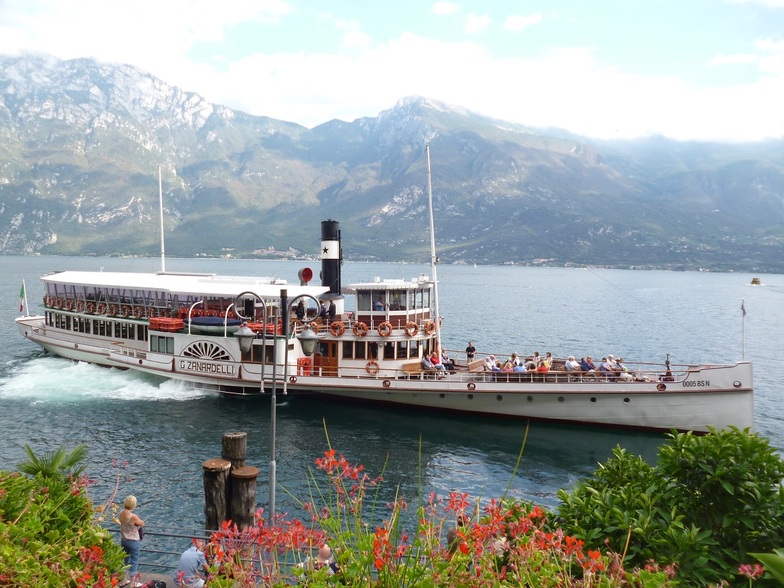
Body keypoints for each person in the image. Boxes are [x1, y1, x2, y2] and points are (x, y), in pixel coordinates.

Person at [119, 495, 145, 588]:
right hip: (133, 541)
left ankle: (123, 580)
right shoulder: (133, 516)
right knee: (134, 561)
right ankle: (132, 583)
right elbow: (142, 523)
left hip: (124, 540)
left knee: (124, 560)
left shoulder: (121, 513)